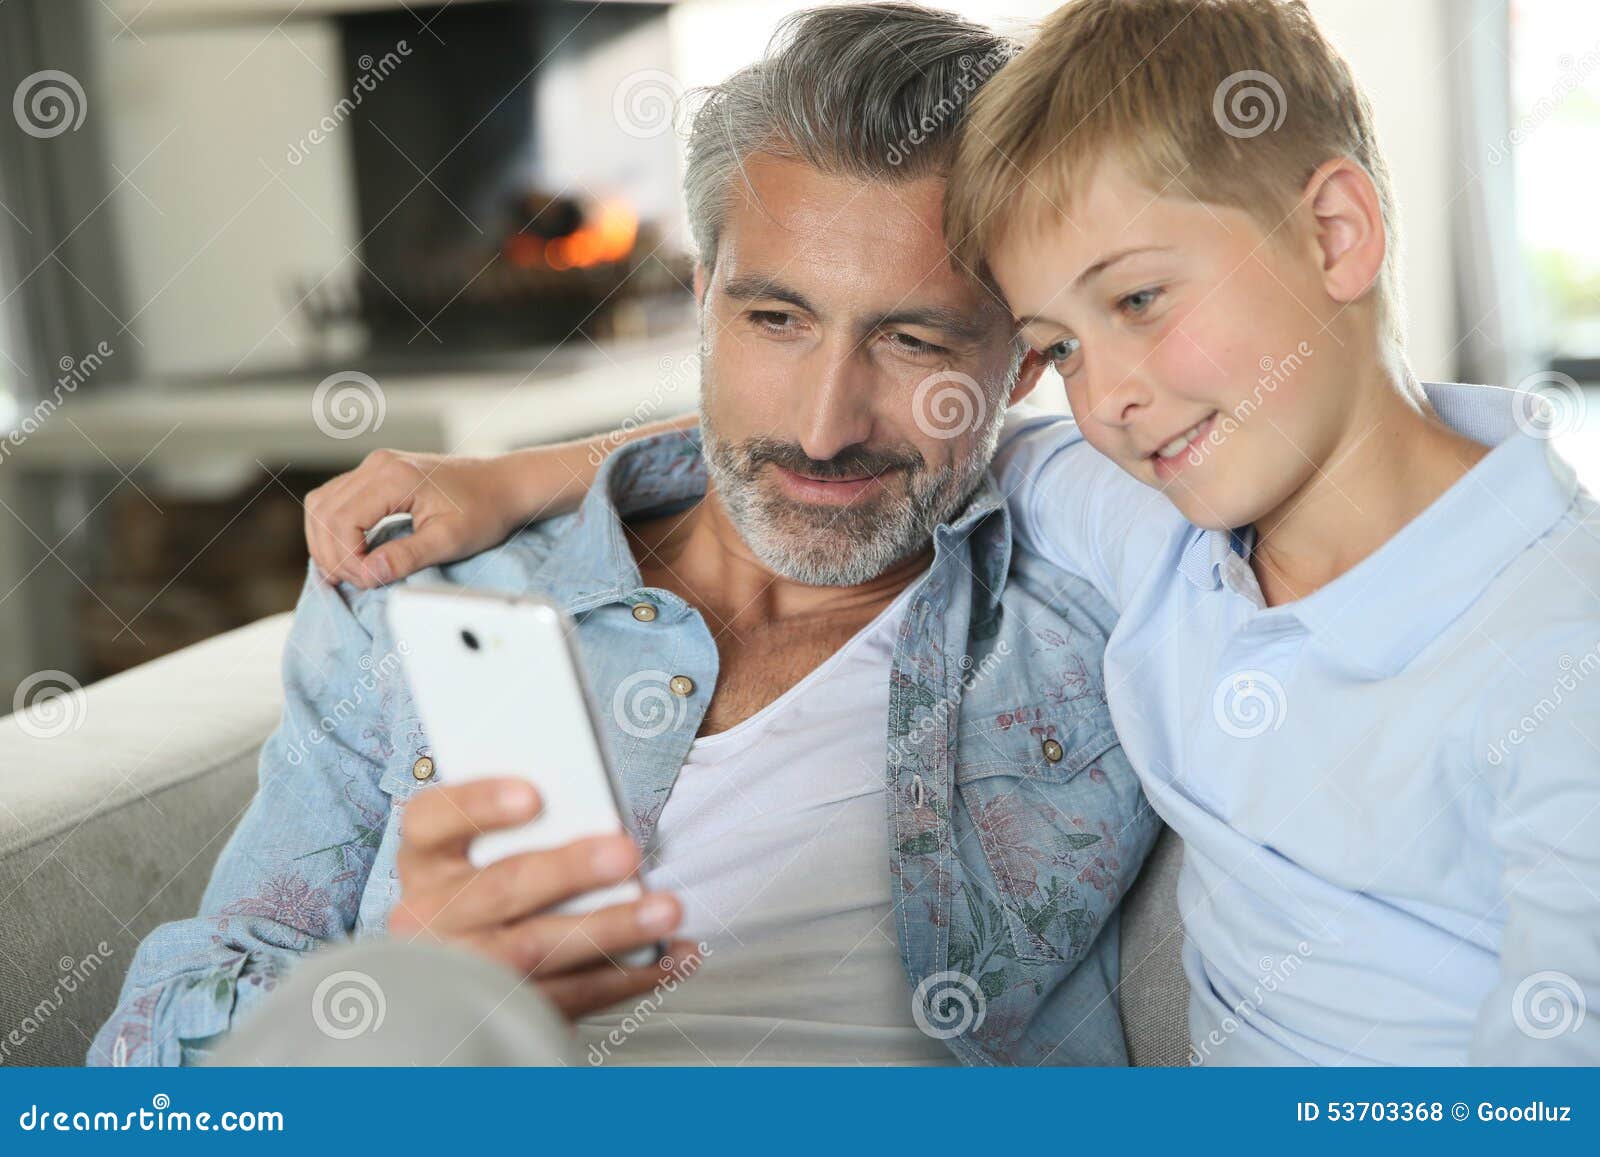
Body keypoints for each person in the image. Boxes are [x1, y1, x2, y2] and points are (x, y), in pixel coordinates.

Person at [308, 0, 1600, 1066]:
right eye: (1059, 347)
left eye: (1142, 298)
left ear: (1334, 232)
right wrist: (524, 475)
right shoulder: (1142, 502)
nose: (1111, 396)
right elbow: (831, 451)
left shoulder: (1553, 650)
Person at [88, 3, 1156, 1069]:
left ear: (1025, 360)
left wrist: (531, 466)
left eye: (913, 340)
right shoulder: (423, 596)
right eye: (774, 320)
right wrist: (388, 996)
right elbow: (143, 1070)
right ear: (701, 304)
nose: (823, 427)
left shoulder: (1105, 591)